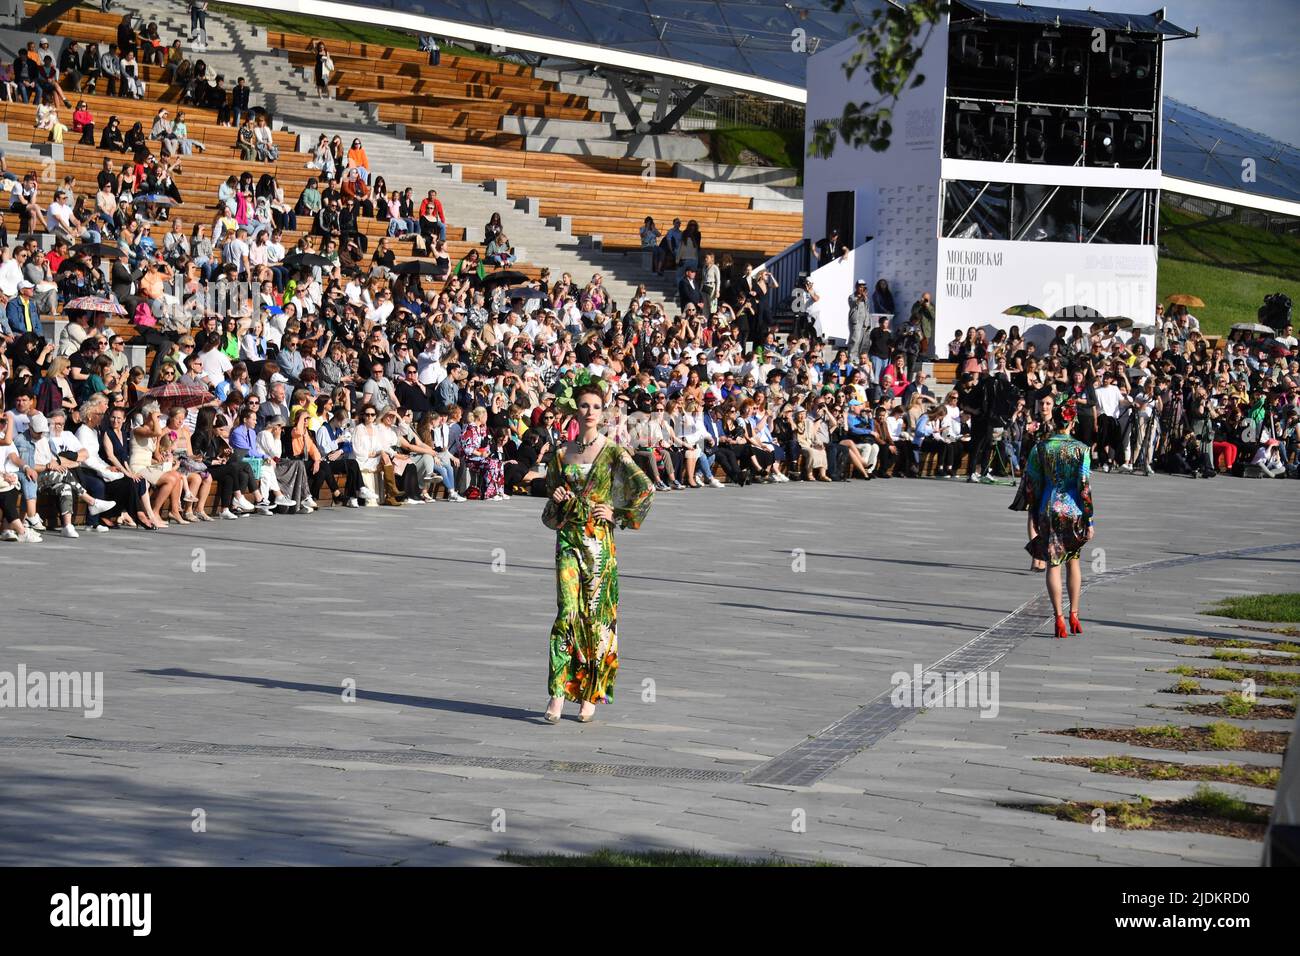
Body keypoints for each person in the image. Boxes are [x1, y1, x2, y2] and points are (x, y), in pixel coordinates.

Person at [540, 381, 654, 724]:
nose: (589, 411)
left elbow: (645, 490)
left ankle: (590, 693)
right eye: (584, 406)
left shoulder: (613, 452)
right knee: (566, 614)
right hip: (569, 542)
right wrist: (558, 498)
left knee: (597, 619)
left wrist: (616, 513)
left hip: (599, 546)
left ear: (603, 412)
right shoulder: (563, 453)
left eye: (595, 406)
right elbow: (551, 497)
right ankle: (558, 692)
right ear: (576, 410)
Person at [1024, 398, 1095, 638]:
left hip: (1047, 507)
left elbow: (1032, 483)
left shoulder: (1040, 447)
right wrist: (1090, 519)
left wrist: (1033, 511)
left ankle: (1058, 618)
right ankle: (1074, 613)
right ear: (1072, 421)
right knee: (1073, 560)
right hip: (1072, 508)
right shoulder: (1082, 449)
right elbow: (1084, 486)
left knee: (1052, 564)